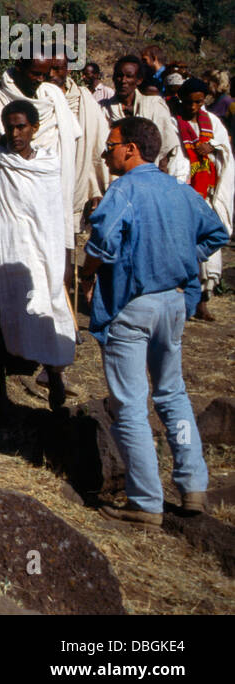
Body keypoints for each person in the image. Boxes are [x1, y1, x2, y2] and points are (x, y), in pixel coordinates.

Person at [78, 117, 226, 525]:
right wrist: (179, 252)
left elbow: (103, 242)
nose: (107, 152)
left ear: (132, 148)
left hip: (134, 305)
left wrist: (87, 273)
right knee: (173, 394)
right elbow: (216, 233)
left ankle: (145, 502)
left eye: (112, 145)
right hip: (174, 302)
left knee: (130, 405)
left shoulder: (124, 189)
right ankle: (192, 485)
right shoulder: (178, 189)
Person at [0, 100, 77, 410]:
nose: (16, 133)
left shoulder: (48, 166)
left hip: (41, 252)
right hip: (3, 247)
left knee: (45, 310)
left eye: (21, 127)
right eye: (10, 127)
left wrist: (62, 258)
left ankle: (54, 376)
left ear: (35, 128)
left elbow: (55, 214)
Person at [0, 50, 82, 262]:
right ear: (19, 66)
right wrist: (2, 146)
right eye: (34, 74)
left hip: (48, 202)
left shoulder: (53, 96)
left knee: (47, 265)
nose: (40, 80)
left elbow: (71, 137)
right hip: (8, 206)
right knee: (1, 266)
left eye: (44, 74)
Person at [171, 77, 233, 320]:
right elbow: (172, 152)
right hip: (183, 194)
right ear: (182, 100)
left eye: (199, 102)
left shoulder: (213, 122)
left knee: (208, 248)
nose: (194, 107)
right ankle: (184, 299)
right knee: (181, 246)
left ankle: (203, 299)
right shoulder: (173, 123)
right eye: (190, 102)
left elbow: (225, 149)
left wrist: (213, 146)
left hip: (206, 193)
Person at [49, 51, 110, 229]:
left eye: (57, 69)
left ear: (67, 69)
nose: (52, 74)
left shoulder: (83, 99)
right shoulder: (36, 99)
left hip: (77, 182)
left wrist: (94, 189)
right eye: (48, 68)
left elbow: (97, 145)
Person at [100, 55, 183, 177]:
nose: (123, 81)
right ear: (113, 78)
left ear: (138, 80)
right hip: (111, 177)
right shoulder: (102, 109)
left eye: (129, 76)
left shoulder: (154, 107)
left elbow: (166, 146)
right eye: (119, 76)